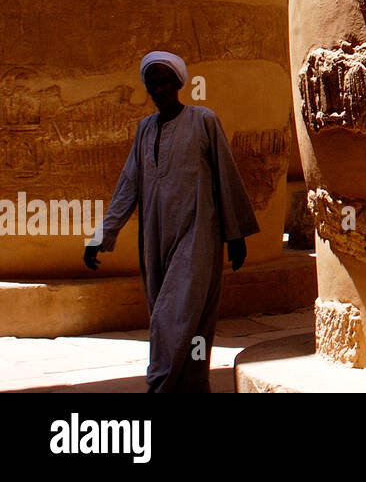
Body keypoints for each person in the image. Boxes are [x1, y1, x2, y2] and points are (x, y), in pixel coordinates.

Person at [84, 51, 260, 392]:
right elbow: (128, 185)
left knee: (172, 314)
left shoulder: (203, 120)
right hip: (156, 237)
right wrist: (101, 236)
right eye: (154, 85)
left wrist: (235, 235)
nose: (161, 89)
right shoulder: (144, 130)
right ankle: (192, 385)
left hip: (199, 234)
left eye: (166, 82)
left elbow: (226, 174)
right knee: (187, 319)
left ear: (179, 84)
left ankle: (159, 383)